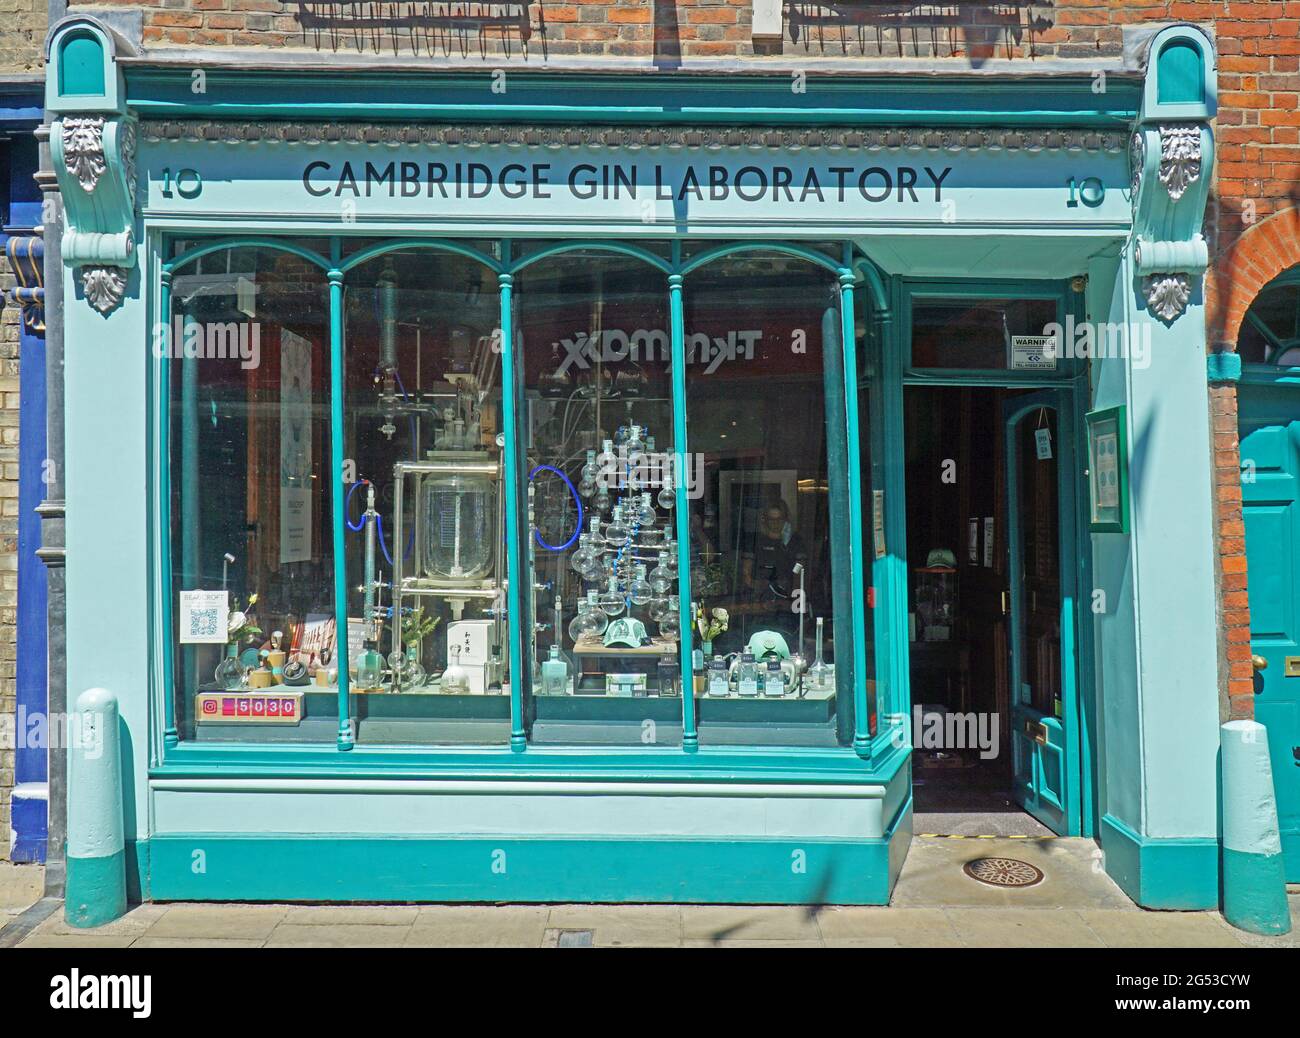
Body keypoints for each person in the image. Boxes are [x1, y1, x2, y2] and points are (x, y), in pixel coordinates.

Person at [740, 498, 808, 632]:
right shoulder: (754, 541)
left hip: (786, 605)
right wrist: (759, 587)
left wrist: (789, 599)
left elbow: (800, 573)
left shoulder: (795, 542)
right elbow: (745, 574)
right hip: (758, 606)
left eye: (779, 519)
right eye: (772, 519)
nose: (775, 523)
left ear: (786, 519)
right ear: (765, 519)